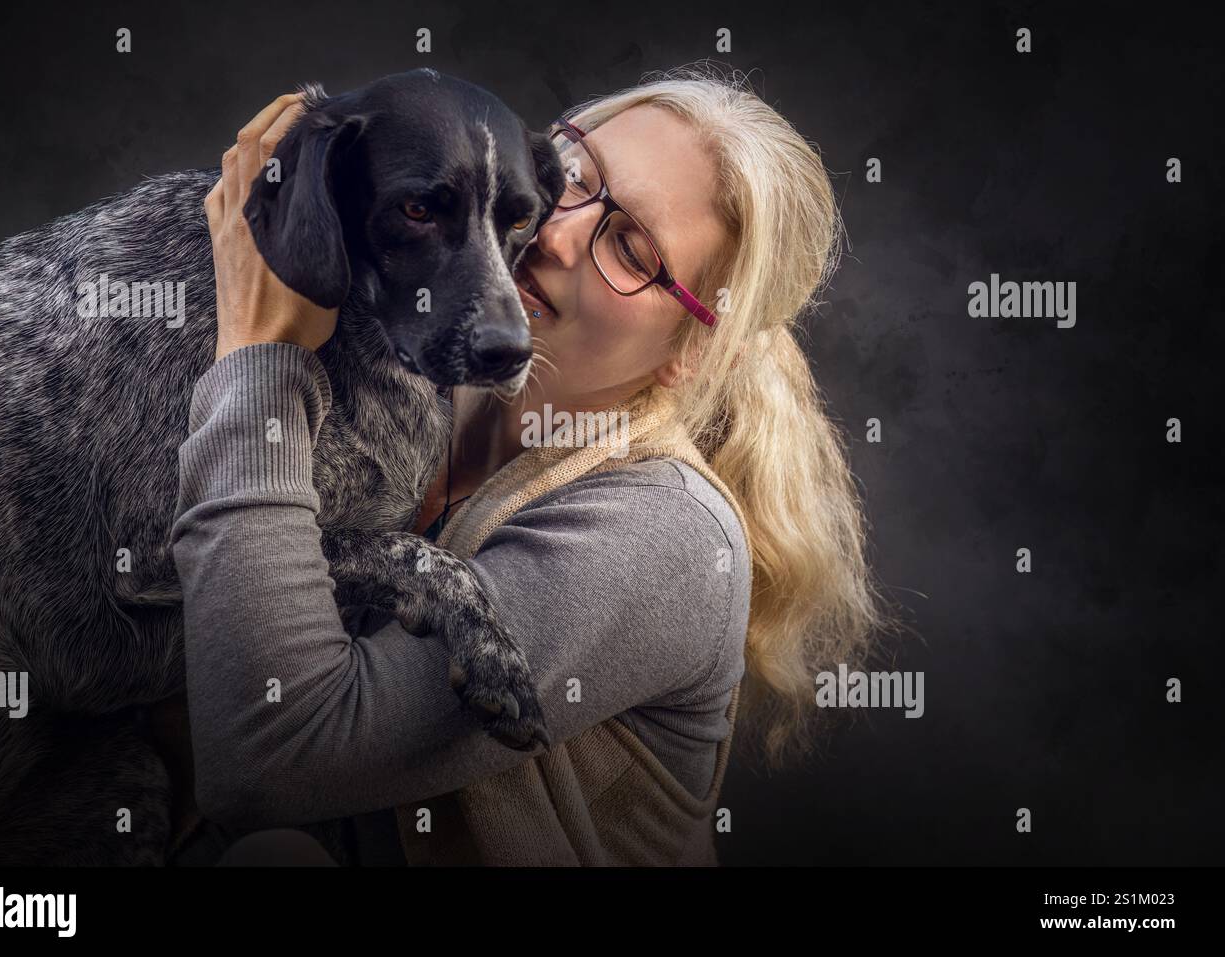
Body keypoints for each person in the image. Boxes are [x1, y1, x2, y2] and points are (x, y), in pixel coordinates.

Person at [172, 63, 894, 866]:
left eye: (630, 246)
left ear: (693, 352)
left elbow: (270, 759)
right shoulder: (404, 382)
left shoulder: (672, 535)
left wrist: (256, 355)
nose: (555, 233)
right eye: (575, 176)